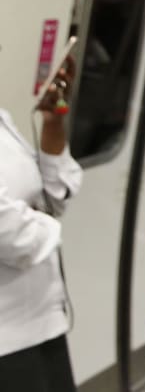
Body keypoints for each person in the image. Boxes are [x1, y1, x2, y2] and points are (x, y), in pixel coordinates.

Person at [0, 57, 82, 392]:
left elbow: (51, 195)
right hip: (7, 338)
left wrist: (52, 123)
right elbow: (7, 232)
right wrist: (47, 227)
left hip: (41, 320)